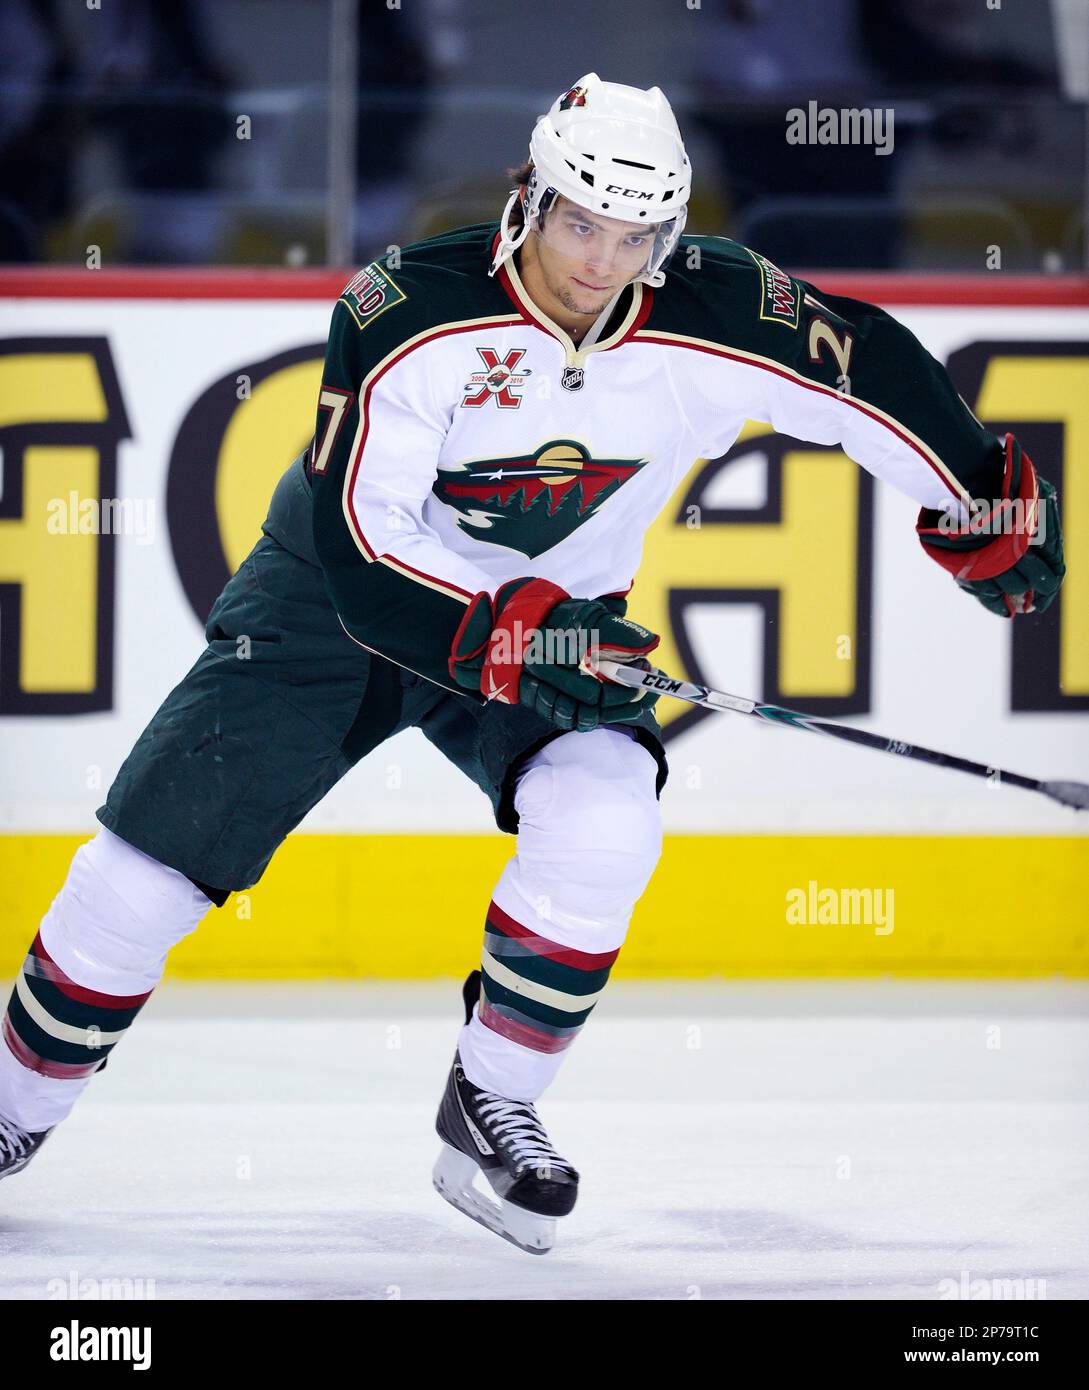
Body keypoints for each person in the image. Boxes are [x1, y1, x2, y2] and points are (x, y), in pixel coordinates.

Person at [0, 74, 1065, 1254]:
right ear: (531, 196)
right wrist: (511, 629)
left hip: (554, 622)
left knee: (607, 813)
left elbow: (861, 362)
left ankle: (491, 1098)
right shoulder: (406, 306)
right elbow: (365, 546)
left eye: (637, 235)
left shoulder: (715, 311)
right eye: (580, 225)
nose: (603, 263)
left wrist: (972, 494)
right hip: (331, 612)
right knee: (144, 878)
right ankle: (11, 1111)